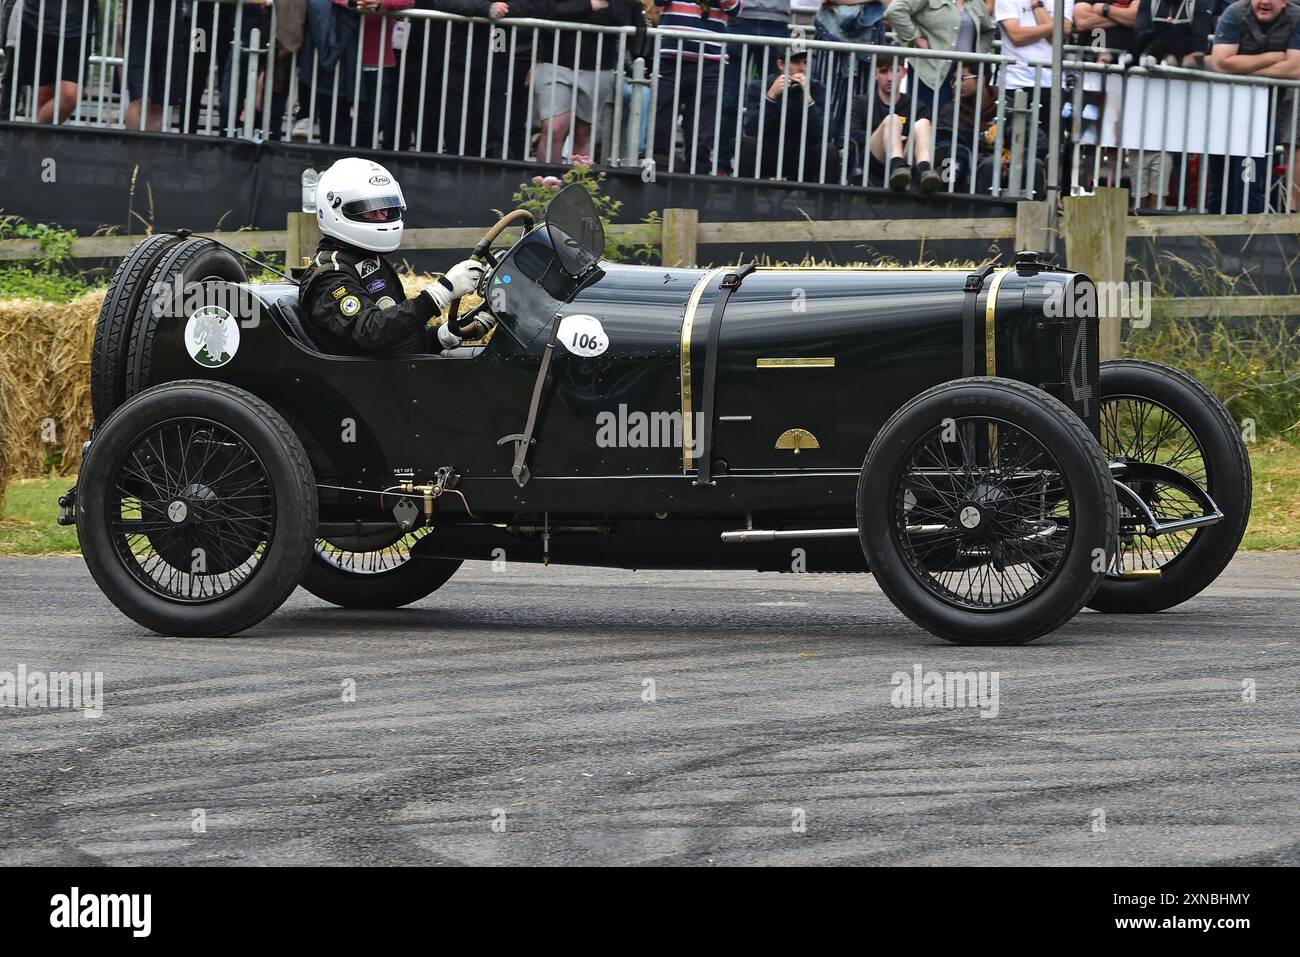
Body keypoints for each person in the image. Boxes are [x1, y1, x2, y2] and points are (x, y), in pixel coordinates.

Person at [300, 158, 486, 356]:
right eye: (371, 211)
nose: (382, 217)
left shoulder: (369, 259)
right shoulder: (330, 276)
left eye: (386, 208)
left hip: (396, 372)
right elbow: (369, 332)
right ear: (336, 210)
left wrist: (438, 337)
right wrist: (439, 294)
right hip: (366, 382)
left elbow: (396, 339)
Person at [884, 0, 997, 186]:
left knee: (955, 132)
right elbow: (895, 10)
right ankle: (918, 177)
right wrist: (916, 37)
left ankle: (948, 181)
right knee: (926, 125)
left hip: (962, 77)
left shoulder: (975, 2)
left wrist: (978, 58)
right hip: (930, 73)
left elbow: (988, 30)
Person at [1208, 0, 1300, 212]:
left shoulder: (1297, 17)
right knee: (1220, 182)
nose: (1265, 1)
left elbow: (1295, 69)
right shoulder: (1234, 12)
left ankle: (1246, 239)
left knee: (1250, 181)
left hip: (1268, 112)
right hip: (1228, 109)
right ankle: (1214, 239)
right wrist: (1274, 57)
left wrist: (1240, 69)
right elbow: (1221, 63)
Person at [534, 0, 647, 164]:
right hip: (555, 63)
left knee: (583, 132)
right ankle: (547, 184)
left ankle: (578, 187)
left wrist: (569, 14)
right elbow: (545, 10)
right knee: (553, 129)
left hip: (599, 68)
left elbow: (618, 17)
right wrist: (590, 5)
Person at [651, 0, 744, 174]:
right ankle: (656, 187)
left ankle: (696, 189)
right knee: (660, 130)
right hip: (671, 56)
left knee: (702, 138)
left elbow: (735, 8)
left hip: (711, 61)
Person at [718, 0, 793, 175]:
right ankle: (722, 165)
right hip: (742, 16)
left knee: (775, 100)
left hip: (771, 20)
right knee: (730, 100)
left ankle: (766, 168)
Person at [737, 49, 836, 179]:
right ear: (781, 65)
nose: (802, 68)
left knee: (828, 150)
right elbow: (751, 130)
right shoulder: (759, 87)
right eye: (796, 62)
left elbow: (825, 135)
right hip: (769, 154)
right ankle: (744, 199)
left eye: (806, 63)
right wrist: (771, 97)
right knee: (748, 144)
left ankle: (824, 200)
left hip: (804, 156)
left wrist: (808, 100)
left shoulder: (818, 89)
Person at [847, 54, 936, 190]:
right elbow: (853, 134)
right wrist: (889, 137)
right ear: (875, 74)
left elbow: (927, 138)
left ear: (903, 73)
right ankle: (897, 166)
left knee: (923, 123)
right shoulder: (861, 103)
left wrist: (899, 140)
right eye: (883, 71)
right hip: (874, 160)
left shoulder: (917, 106)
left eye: (895, 71)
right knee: (892, 119)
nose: (889, 78)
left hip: (909, 161)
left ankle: (925, 170)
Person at [13, 0, 91, 123]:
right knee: (44, 95)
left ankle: (34, 134)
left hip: (77, 28)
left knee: (70, 97)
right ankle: (41, 139)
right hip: (36, 22)